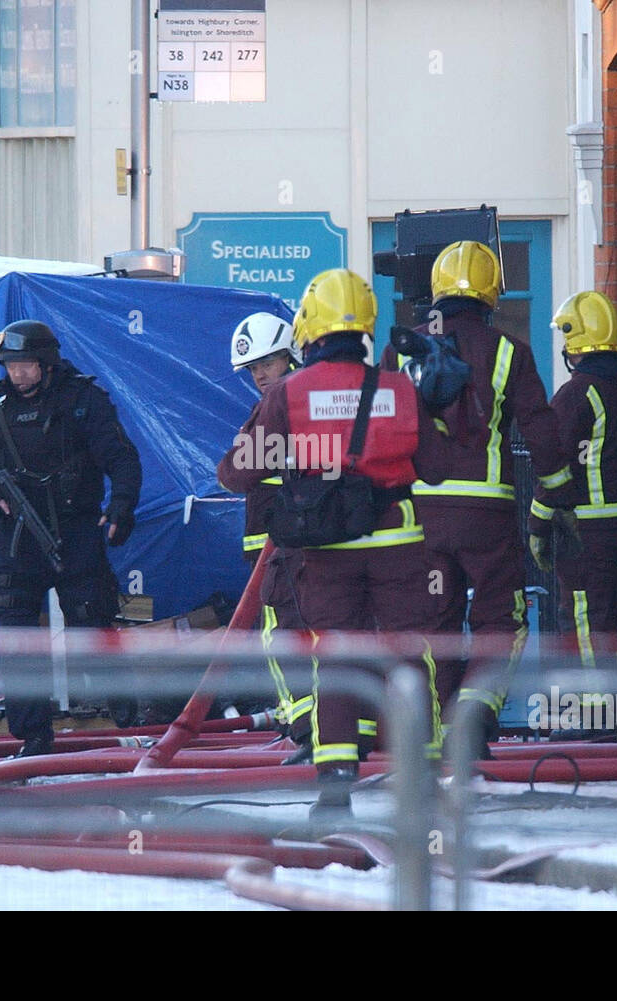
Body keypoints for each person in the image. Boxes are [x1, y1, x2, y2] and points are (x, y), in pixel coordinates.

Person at [218, 269, 455, 819]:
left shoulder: (290, 393)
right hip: (399, 542)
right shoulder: (399, 388)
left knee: (336, 656)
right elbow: (438, 470)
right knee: (409, 656)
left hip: (326, 553)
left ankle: (336, 786)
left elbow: (237, 474)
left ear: (309, 328)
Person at [381, 240, 578, 757]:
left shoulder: (401, 350)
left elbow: (378, 431)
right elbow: (541, 432)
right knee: (499, 616)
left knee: (431, 621)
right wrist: (558, 496)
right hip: (485, 516)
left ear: (436, 290)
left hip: (417, 515)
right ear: (493, 294)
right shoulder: (511, 350)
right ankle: (475, 713)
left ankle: (431, 734)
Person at [0, 319, 142, 757]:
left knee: (91, 627)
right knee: (20, 642)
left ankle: (128, 717)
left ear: (46, 362)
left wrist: (120, 508)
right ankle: (33, 738)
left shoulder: (82, 401)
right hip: (16, 539)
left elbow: (121, 458)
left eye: (25, 365)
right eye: (10, 365)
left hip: (75, 530)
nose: (17, 373)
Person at [528, 292, 617, 692]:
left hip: (585, 532)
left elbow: (553, 464)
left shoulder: (576, 394)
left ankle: (595, 710)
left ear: (573, 339)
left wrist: (538, 525)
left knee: (584, 614)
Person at [222, 312, 316, 750]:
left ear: (289, 354)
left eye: (267, 361)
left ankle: (301, 728)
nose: (259, 373)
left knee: (279, 636)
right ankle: (316, 723)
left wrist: (230, 464)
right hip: (292, 542)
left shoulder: (281, 399)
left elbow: (239, 470)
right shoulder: (309, 393)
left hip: (280, 549)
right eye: (253, 367)